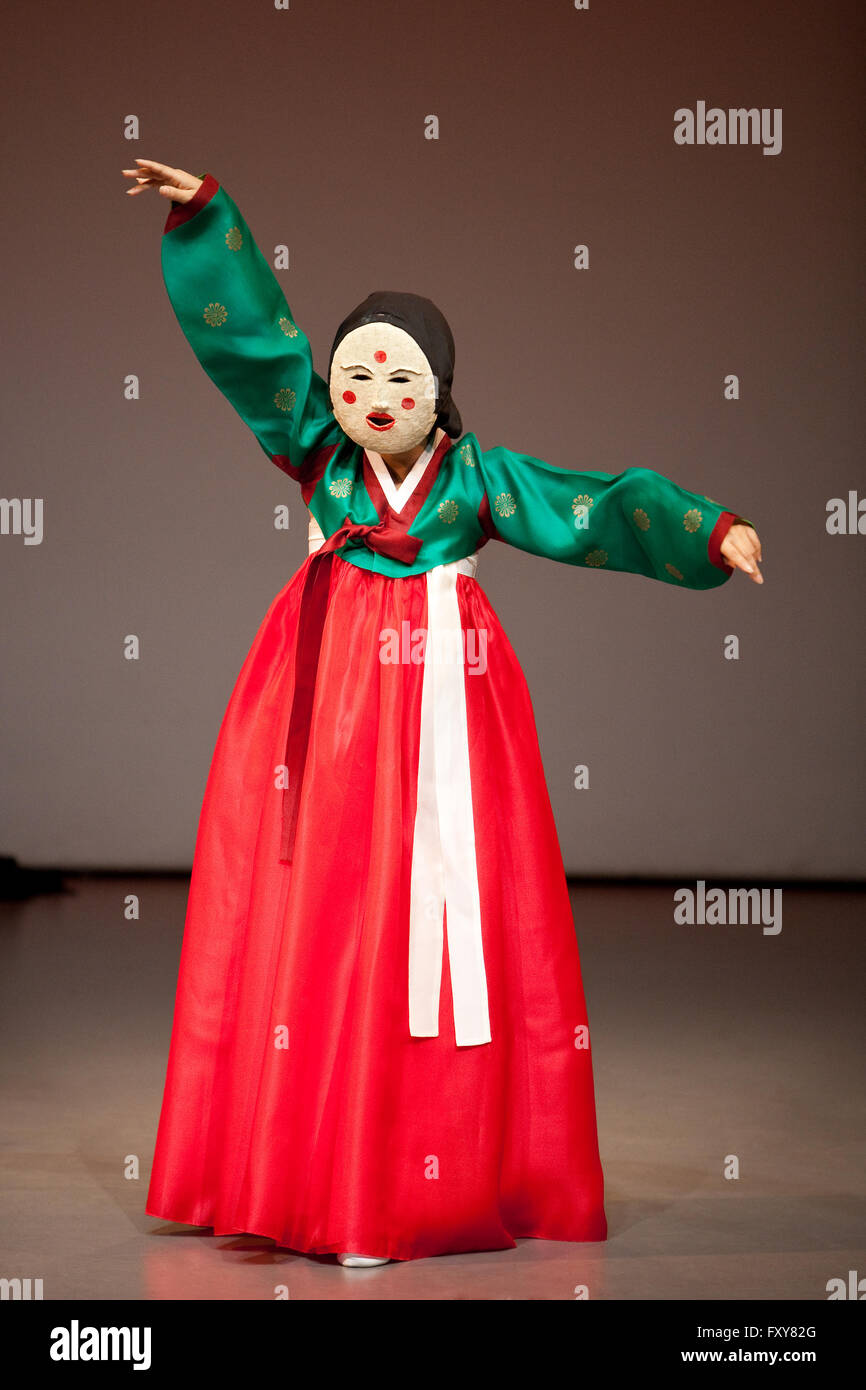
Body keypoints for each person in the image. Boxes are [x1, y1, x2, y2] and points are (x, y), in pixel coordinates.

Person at [125, 159, 763, 1267]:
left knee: (437, 917)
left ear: (440, 394)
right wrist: (206, 217)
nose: (373, 394)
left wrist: (705, 530)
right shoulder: (317, 453)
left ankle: (416, 1174)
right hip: (320, 704)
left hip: (442, 716)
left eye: (399, 378)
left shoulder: (477, 478)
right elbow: (255, 347)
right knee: (315, 918)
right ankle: (298, 1171)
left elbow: (591, 506)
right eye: (356, 373)